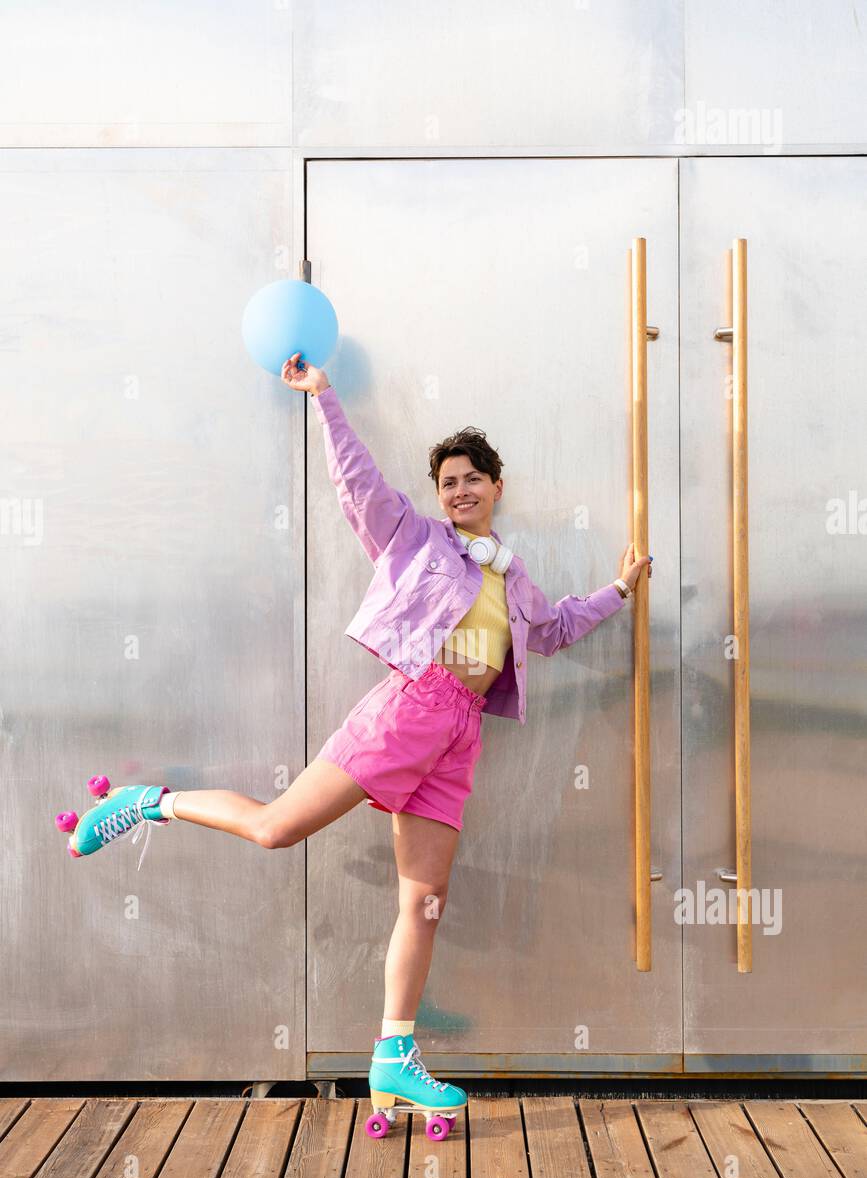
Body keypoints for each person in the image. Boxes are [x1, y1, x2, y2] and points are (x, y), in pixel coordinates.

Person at [56, 353, 651, 1132]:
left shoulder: (514, 576)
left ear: (497, 487)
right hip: (406, 711)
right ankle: (150, 802)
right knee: (276, 829)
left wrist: (619, 588)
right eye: (448, 482)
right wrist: (324, 397)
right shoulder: (415, 540)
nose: (460, 490)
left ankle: (392, 1056)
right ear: (438, 496)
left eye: (472, 478)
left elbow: (556, 629)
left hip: (458, 738)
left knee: (425, 902)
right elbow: (359, 487)